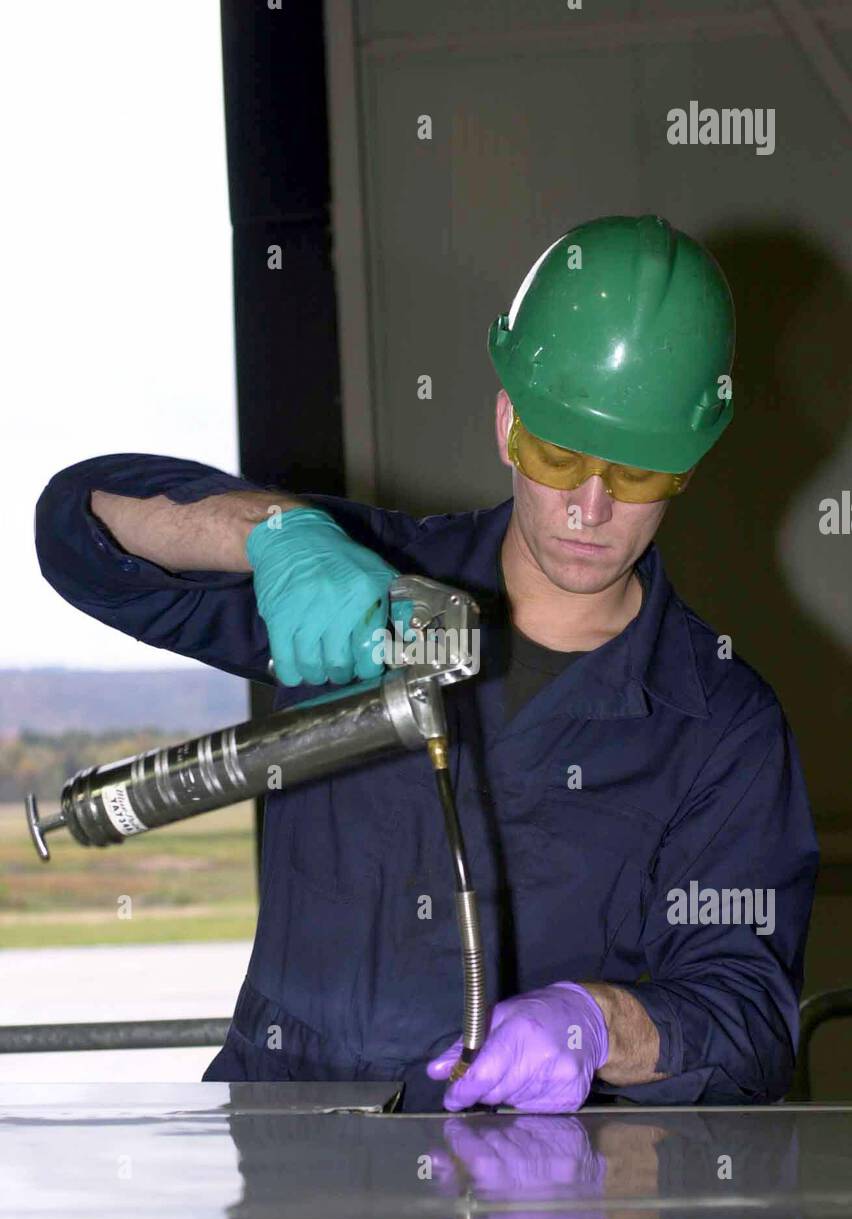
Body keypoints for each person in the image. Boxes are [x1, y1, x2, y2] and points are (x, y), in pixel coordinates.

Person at [34, 214, 819, 1112]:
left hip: (533, 1196)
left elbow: (751, 1019)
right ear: (506, 422)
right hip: (293, 1169)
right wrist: (274, 536)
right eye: (559, 453)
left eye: (638, 474)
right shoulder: (366, 576)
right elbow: (78, 528)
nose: (591, 507)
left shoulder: (722, 724)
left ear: (690, 465)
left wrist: (596, 1022)